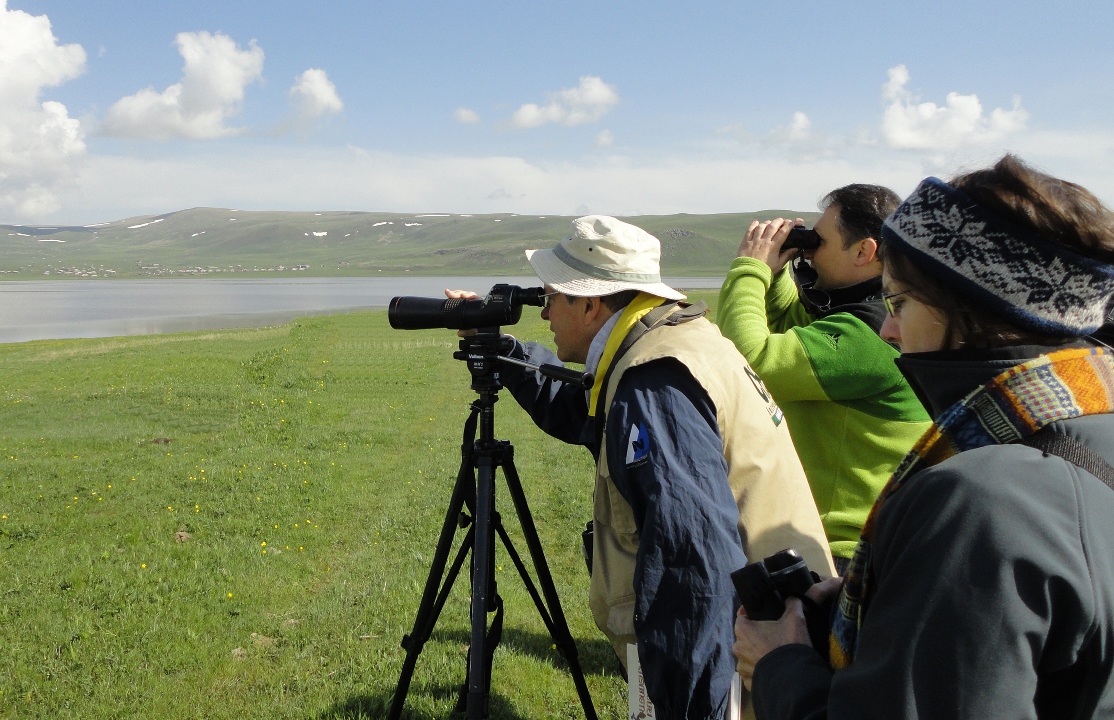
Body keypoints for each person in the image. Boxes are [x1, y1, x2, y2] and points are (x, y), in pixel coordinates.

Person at [733, 155, 1114, 719]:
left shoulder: (980, 502)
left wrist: (780, 663)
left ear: (971, 308)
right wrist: (896, 598)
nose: (888, 328)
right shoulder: (1087, 429)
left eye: (901, 302)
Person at [458, 215, 834, 719]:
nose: (545, 313)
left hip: (746, 653)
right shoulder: (671, 341)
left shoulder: (655, 381)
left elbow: (691, 561)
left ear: (590, 304)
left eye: (552, 297)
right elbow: (591, 413)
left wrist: (692, 703)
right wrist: (505, 353)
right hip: (777, 626)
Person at [717, 185, 932, 571]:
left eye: (820, 242)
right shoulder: (874, 314)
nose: (810, 250)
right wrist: (779, 270)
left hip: (845, 552)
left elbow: (753, 363)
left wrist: (750, 268)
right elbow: (784, 325)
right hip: (853, 542)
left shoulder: (871, 333)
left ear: (864, 252)